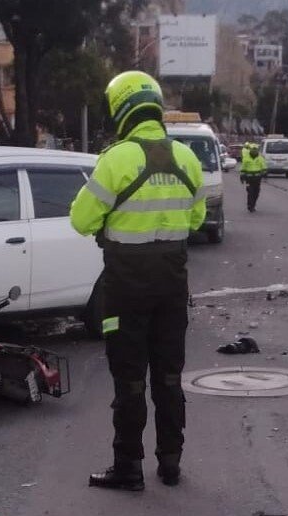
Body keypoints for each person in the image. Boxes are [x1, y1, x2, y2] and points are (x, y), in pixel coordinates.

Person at [70, 71, 205, 491]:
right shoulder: (188, 159)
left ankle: (128, 467)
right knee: (169, 377)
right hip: (172, 287)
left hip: (126, 290)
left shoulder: (116, 159)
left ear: (122, 108)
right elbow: (197, 219)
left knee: (129, 380)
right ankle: (170, 463)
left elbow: (80, 220)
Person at [240, 144, 267, 212]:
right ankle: (250, 206)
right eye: (253, 150)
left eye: (255, 150)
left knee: (256, 193)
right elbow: (243, 168)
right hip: (249, 179)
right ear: (250, 150)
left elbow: (264, 167)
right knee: (250, 192)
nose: (254, 151)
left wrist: (264, 174)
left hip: (257, 178)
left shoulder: (260, 158)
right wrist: (242, 177)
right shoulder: (246, 158)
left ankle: (253, 204)